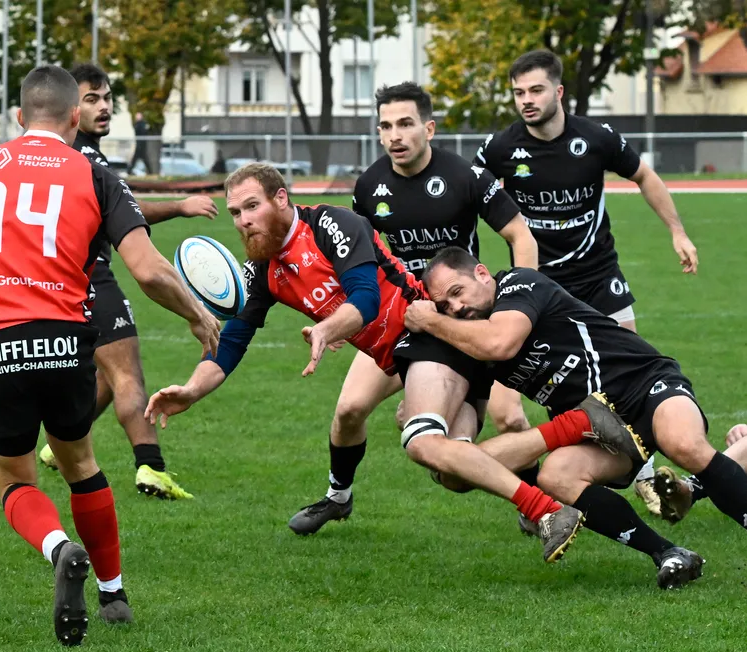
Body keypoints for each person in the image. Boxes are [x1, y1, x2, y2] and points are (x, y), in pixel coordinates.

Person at [142, 162, 664, 566]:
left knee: (418, 438)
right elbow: (232, 343)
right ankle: (341, 497)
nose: (243, 220)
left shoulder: (330, 225)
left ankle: (547, 507)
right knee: (445, 464)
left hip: (428, 336)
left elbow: (366, 299)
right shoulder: (264, 271)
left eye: (251, 207)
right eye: (234, 213)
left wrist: (327, 328)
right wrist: (191, 390)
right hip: (397, 354)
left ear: (281, 198)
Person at [0, 65, 219, 646]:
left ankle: (58, 548)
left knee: (13, 478)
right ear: (75, 117)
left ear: (18, 117)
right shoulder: (93, 171)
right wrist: (195, 313)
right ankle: (113, 593)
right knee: (80, 463)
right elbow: (147, 268)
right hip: (65, 339)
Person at [407, 247, 747, 589]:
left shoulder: (517, 283)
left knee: (683, 443)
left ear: (482, 274)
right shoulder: (467, 340)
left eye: (456, 292)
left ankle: (698, 483)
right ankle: (670, 553)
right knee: (554, 476)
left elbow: (501, 344)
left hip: (644, 385)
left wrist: (431, 320)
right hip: (598, 428)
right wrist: (443, 444)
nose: (455, 308)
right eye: (444, 306)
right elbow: (470, 423)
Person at [287, 82, 537, 535]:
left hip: (461, 322)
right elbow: (354, 256)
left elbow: (521, 236)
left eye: (405, 124)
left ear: (429, 127)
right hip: (398, 321)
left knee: (510, 416)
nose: (395, 135)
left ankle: (534, 496)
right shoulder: (369, 186)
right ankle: (337, 498)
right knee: (347, 411)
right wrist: (343, 319)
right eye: (385, 126)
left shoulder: (464, 176)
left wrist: (520, 303)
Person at [475, 49, 701, 515]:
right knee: (502, 410)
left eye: (536, 90)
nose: (526, 100)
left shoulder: (595, 138)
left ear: (558, 92)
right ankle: (538, 497)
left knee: (630, 390)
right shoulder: (501, 148)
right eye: (518, 93)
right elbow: (464, 189)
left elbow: (645, 176)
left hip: (599, 281)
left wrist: (677, 231)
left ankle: (644, 478)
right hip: (534, 291)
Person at [37, 63, 218, 501]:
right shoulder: (86, 157)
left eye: (106, 97)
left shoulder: (63, 154)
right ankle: (150, 467)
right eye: (90, 98)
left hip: (48, 279)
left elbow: (122, 203)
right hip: (88, 276)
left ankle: (55, 446)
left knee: (105, 373)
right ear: (70, 108)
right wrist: (179, 207)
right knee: (128, 376)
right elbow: (132, 225)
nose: (103, 107)